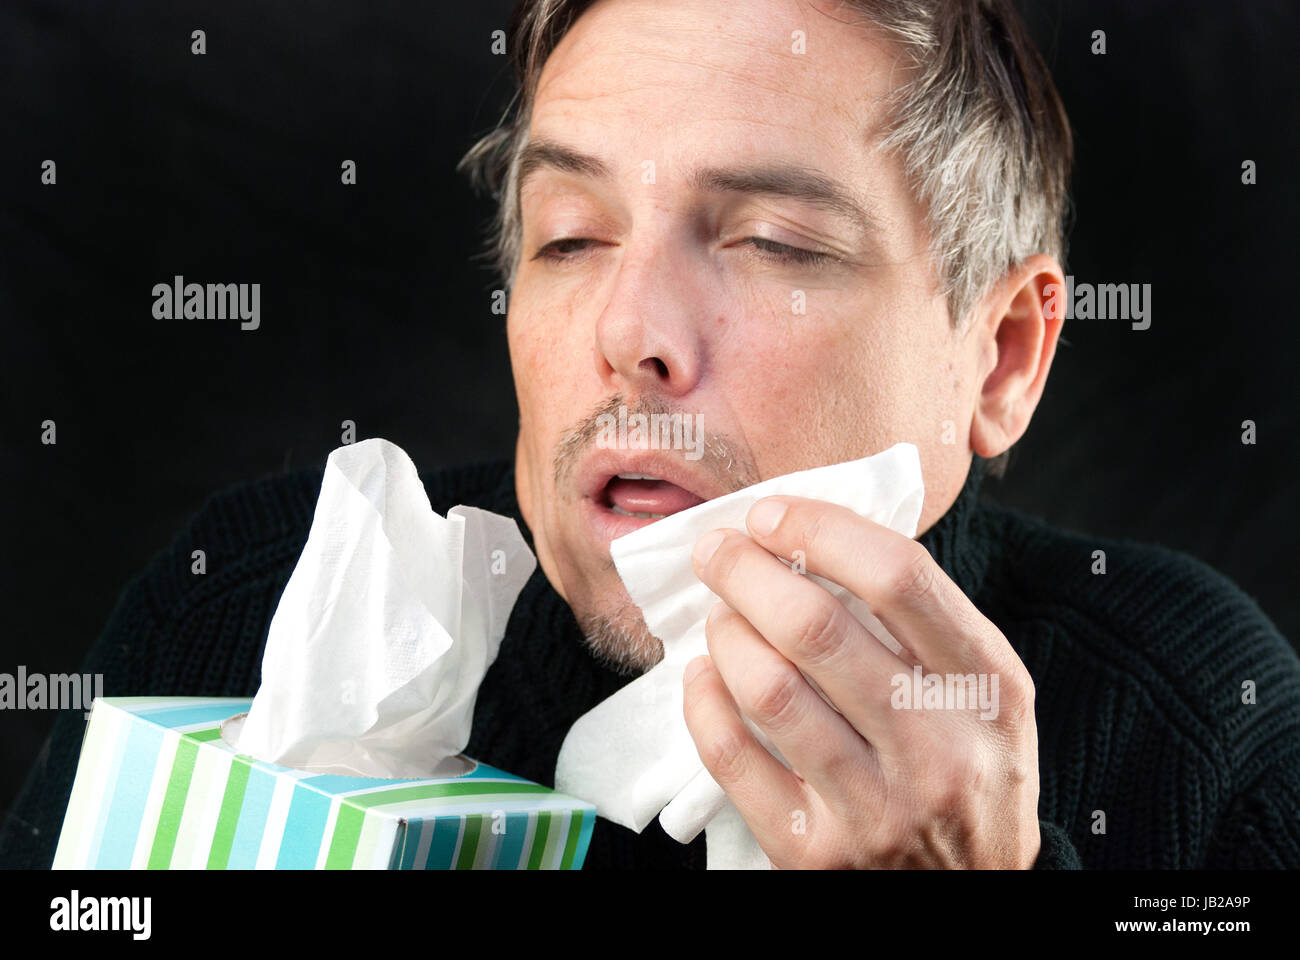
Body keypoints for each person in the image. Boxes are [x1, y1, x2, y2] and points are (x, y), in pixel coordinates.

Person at [4, 0, 1297, 869]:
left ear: (1001, 357)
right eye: (571, 238)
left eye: (773, 242)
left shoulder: (1202, 733)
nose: (630, 333)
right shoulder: (252, 610)